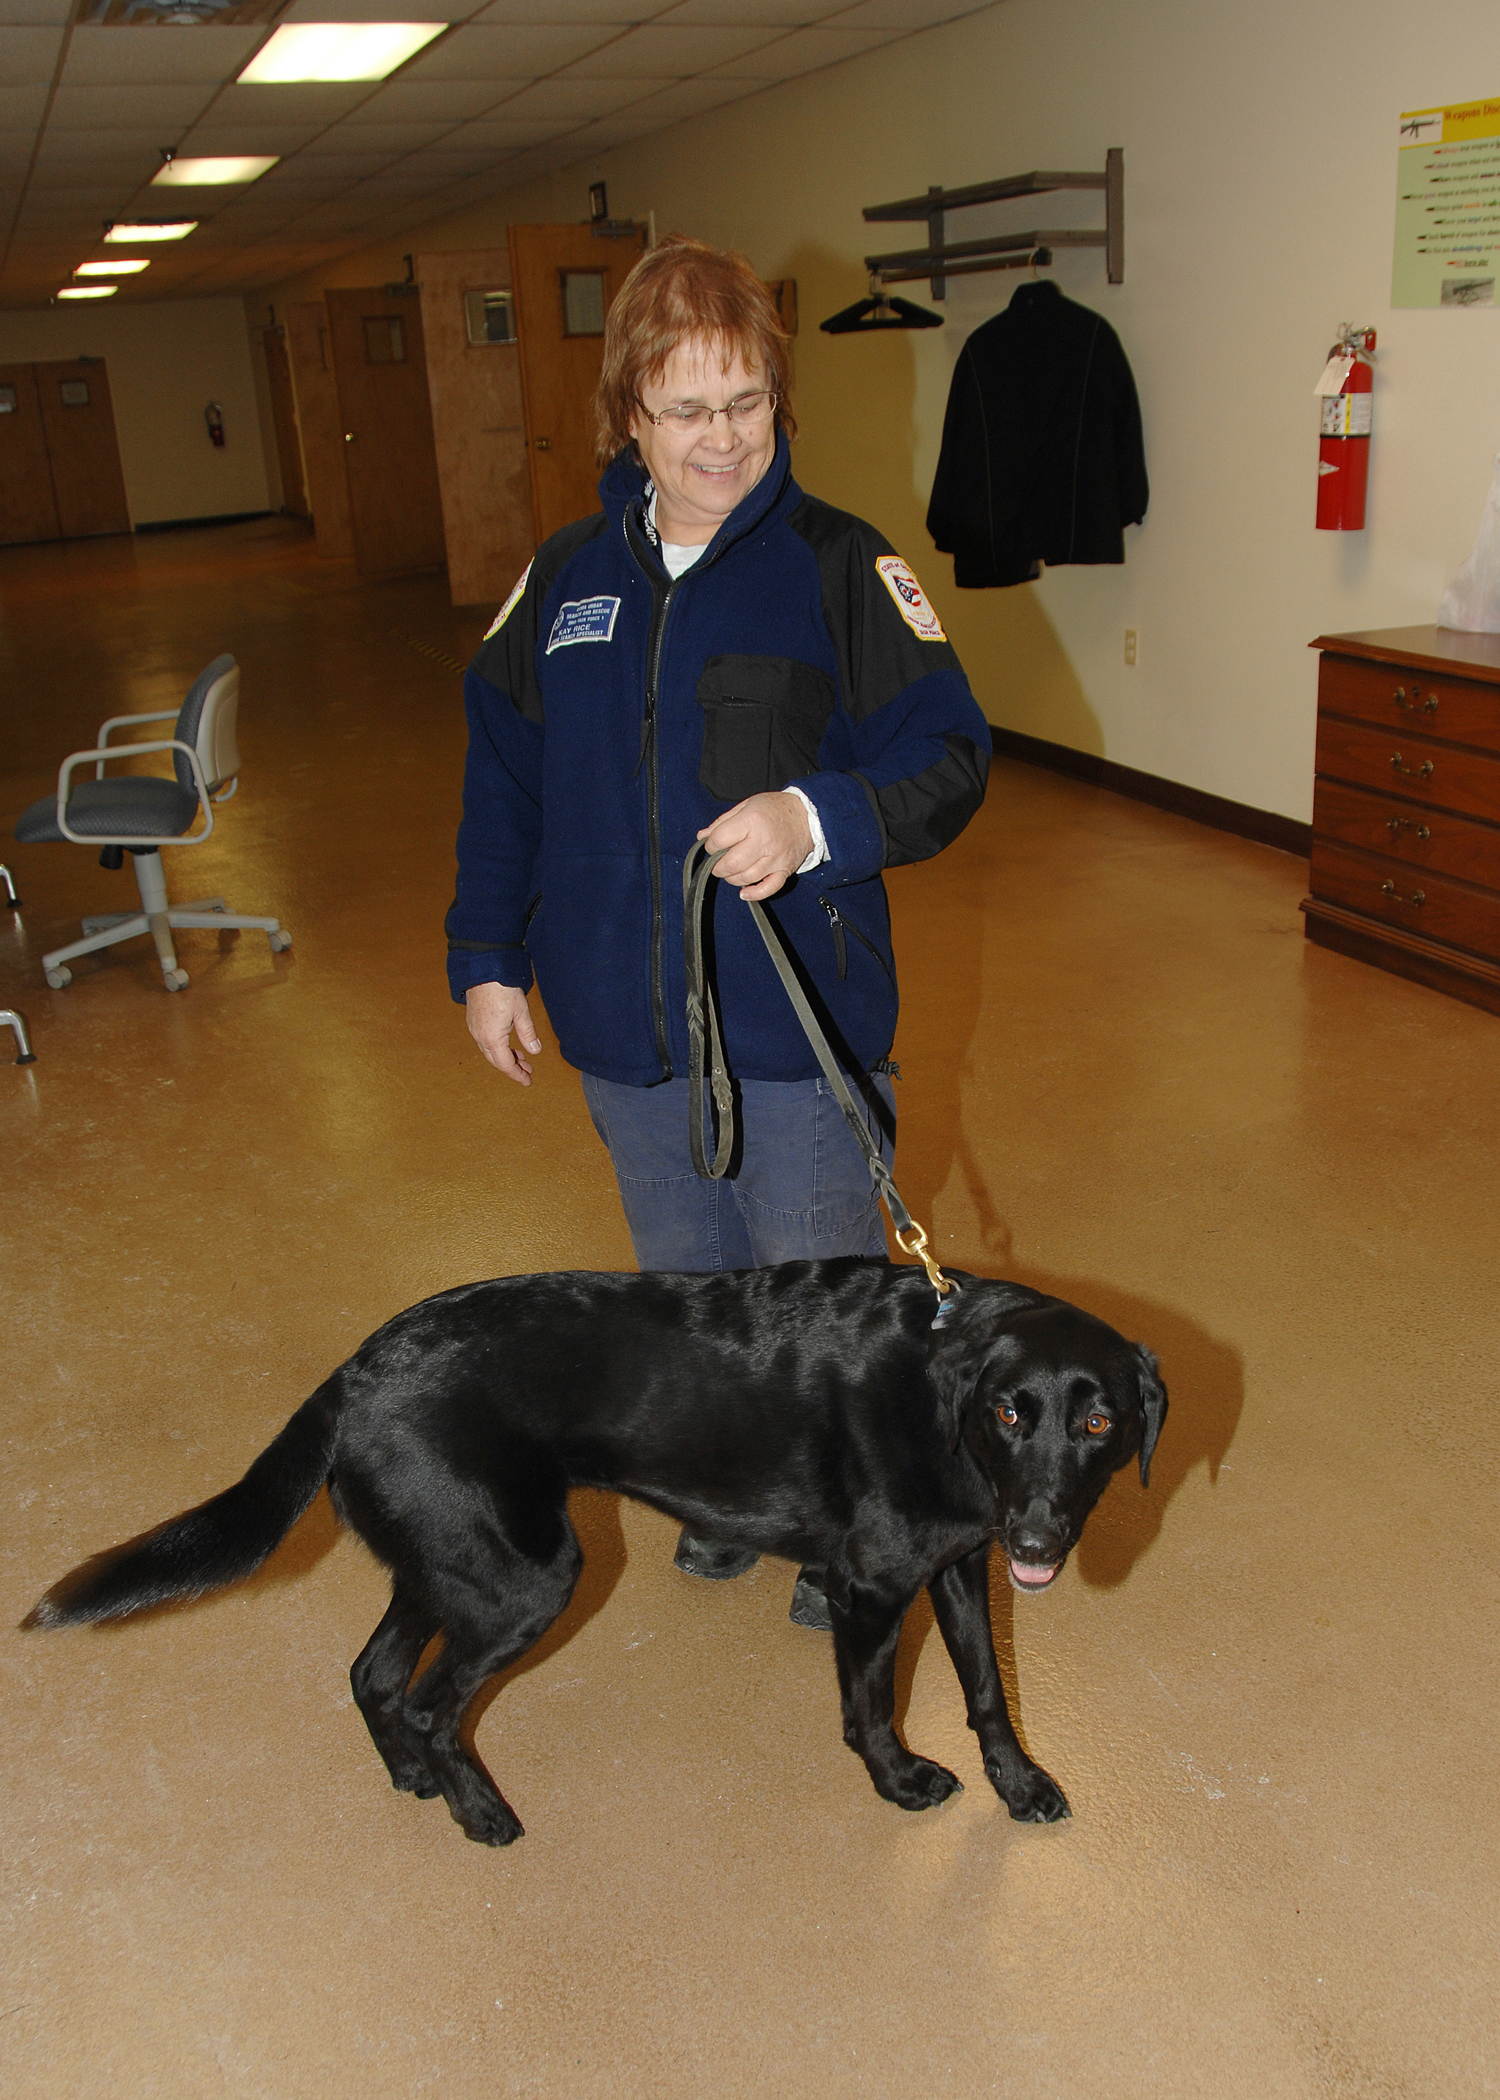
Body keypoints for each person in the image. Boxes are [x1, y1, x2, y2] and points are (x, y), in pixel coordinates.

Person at [447, 236, 991, 1627]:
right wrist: (488, 957)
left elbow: (950, 755)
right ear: (627, 414)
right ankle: (734, 1496)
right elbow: (504, 780)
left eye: (747, 402)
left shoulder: (840, 563)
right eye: (687, 408)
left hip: (794, 1029)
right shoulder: (564, 579)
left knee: (820, 1312)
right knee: (687, 1302)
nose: (723, 439)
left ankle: (849, 1533)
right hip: (622, 1029)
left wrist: (817, 817)